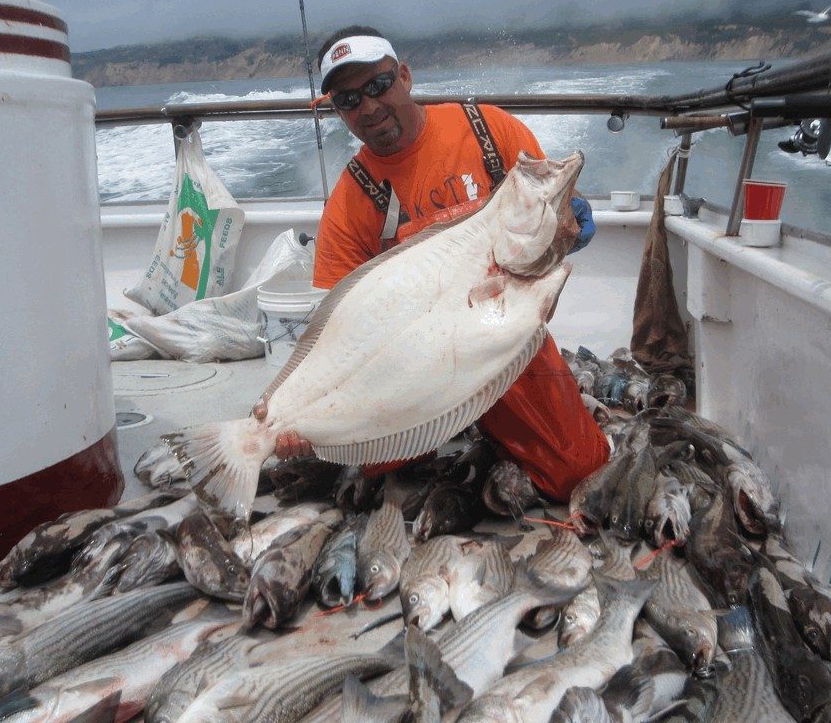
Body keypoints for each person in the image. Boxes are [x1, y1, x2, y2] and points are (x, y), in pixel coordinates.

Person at [258, 26, 608, 502]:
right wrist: (295, 422)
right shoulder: (349, 201)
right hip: (408, 369)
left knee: (579, 472)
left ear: (404, 76)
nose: (369, 107)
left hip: (497, 344)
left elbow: (548, 215)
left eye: (379, 86)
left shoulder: (489, 131)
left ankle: (495, 431)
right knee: (369, 460)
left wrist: (568, 224)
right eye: (348, 100)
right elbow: (334, 329)